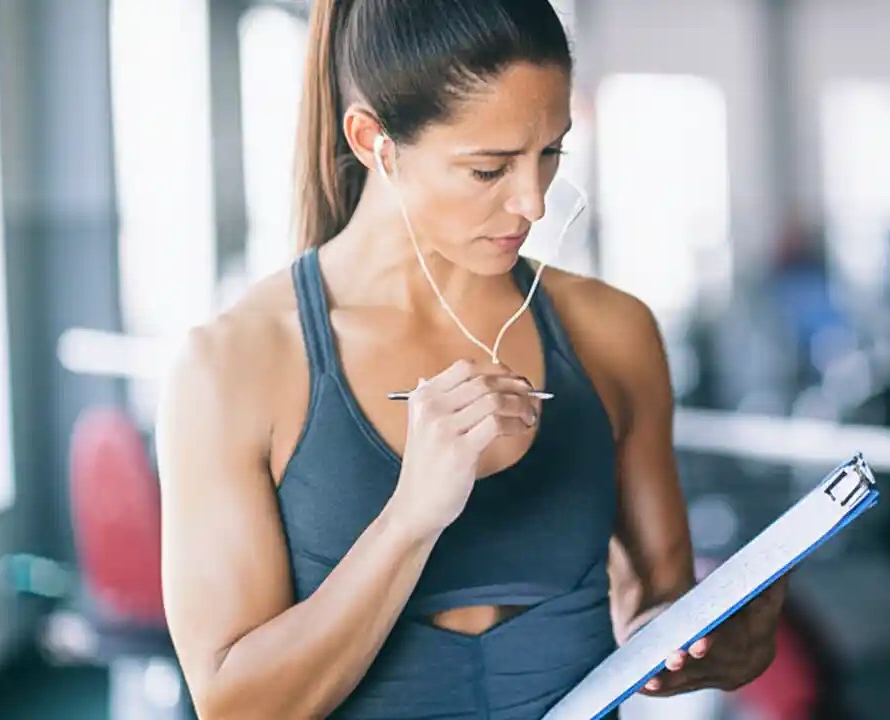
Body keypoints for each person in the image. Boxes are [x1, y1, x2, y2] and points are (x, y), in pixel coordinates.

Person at [156, 1, 787, 717]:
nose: (533, 203)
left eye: (550, 153)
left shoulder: (613, 332)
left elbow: (655, 600)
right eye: (489, 169)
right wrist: (412, 516)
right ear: (373, 141)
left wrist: (715, 644)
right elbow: (234, 707)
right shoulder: (234, 366)